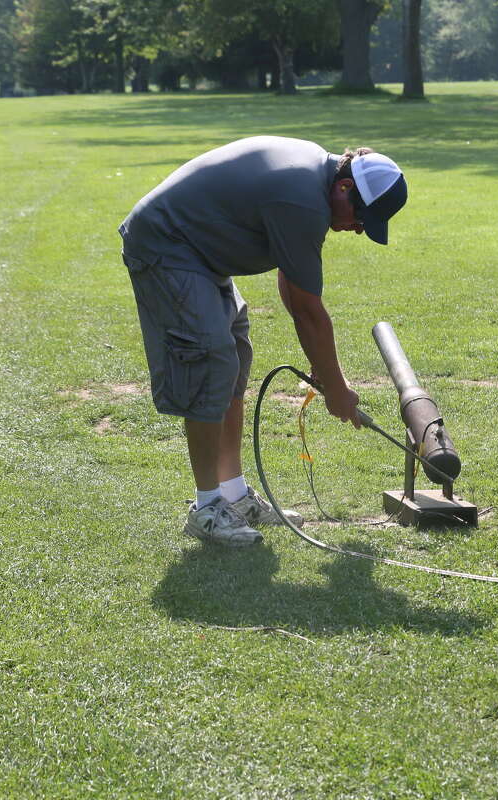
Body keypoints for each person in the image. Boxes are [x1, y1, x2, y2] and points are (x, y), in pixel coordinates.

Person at [118, 136, 408, 547]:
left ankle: (234, 497)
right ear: (344, 187)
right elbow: (309, 311)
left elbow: (292, 286)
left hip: (201, 255)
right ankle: (206, 509)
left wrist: (325, 374)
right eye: (361, 216)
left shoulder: (313, 185)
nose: (359, 228)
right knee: (210, 359)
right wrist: (336, 388)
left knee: (233, 354)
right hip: (166, 244)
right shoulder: (303, 200)